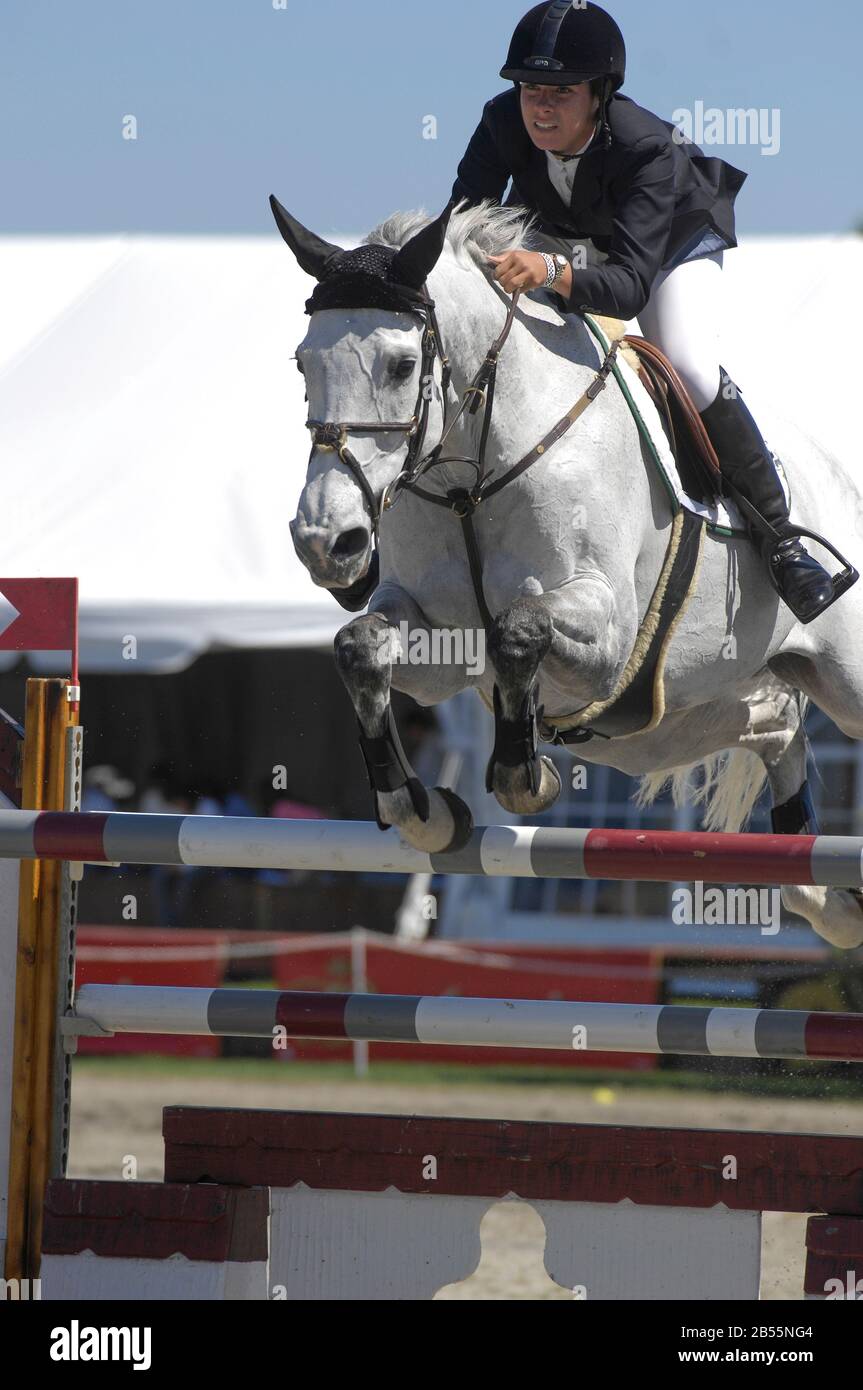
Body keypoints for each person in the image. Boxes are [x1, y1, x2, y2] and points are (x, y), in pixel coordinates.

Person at [451, 1, 849, 623]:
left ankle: (784, 541)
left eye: (561, 92)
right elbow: (462, 225)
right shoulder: (500, 122)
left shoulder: (647, 147)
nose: (541, 107)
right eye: (531, 89)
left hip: (667, 244)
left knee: (687, 367)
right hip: (573, 236)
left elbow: (630, 286)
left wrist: (551, 271)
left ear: (599, 93)